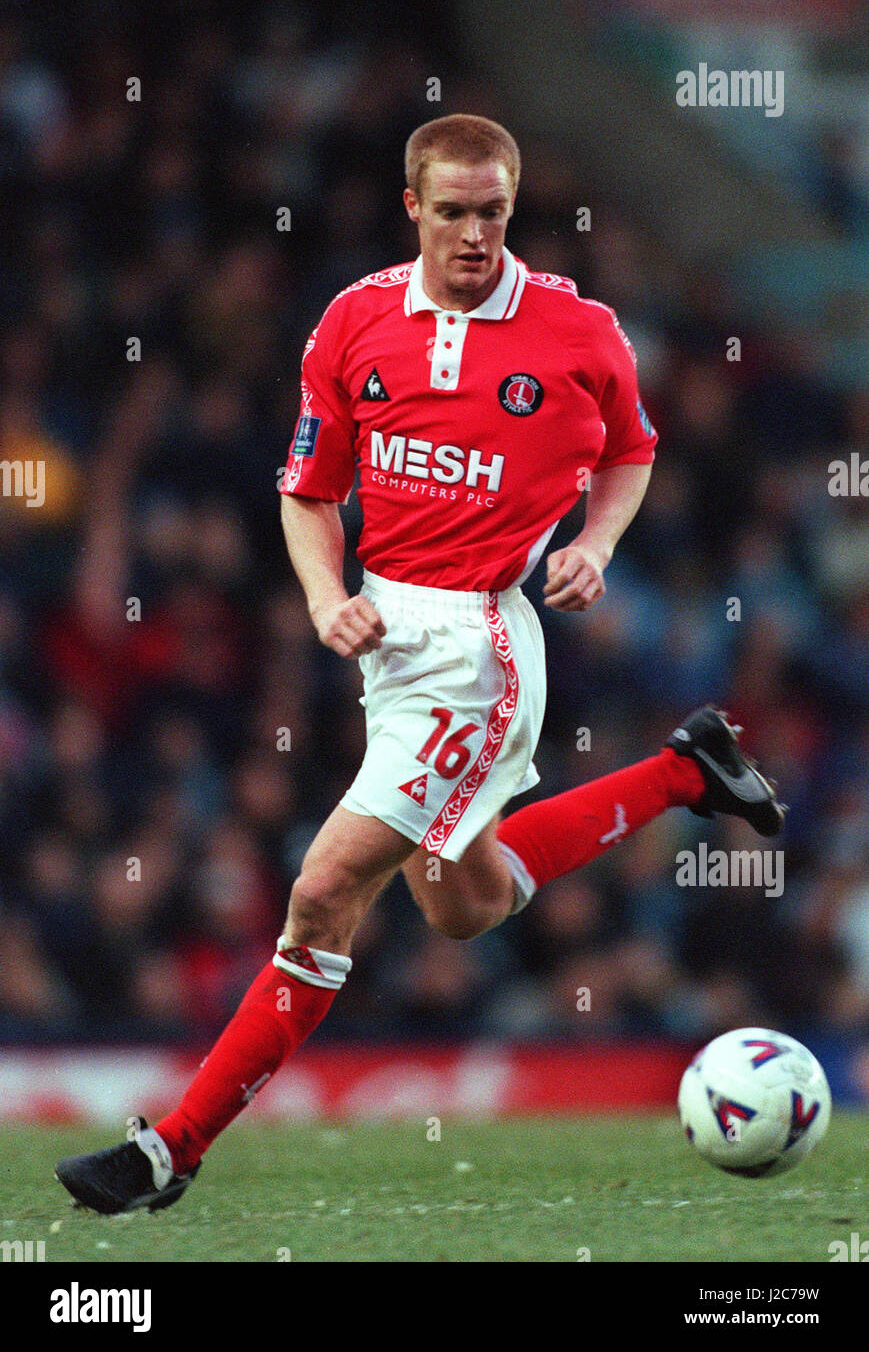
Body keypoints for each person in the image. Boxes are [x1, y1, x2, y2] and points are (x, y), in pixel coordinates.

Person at [56, 115, 784, 1214]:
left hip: (476, 649)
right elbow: (306, 490)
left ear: (511, 208)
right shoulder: (352, 322)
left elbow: (631, 446)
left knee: (322, 890)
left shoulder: (575, 330)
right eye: (451, 211)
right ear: (413, 208)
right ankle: (685, 771)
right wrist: (324, 597)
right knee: (461, 903)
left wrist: (591, 544)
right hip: (387, 641)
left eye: (491, 211)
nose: (474, 234)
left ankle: (171, 1146)